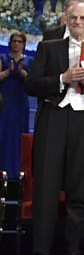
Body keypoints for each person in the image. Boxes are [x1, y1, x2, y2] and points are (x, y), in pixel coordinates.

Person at [24, 2, 84, 255]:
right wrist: (62, 78)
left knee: (79, 188)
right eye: (73, 17)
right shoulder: (48, 47)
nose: (77, 21)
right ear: (66, 19)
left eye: (83, 18)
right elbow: (31, 84)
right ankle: (40, 252)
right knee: (46, 187)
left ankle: (74, 251)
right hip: (54, 118)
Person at [0, 31, 31, 177]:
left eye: (19, 41)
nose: (16, 44)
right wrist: (8, 72)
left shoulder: (29, 61)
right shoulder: (3, 58)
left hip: (20, 102)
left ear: (24, 44)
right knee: (3, 134)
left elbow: (34, 82)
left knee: (19, 137)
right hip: (5, 102)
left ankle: (17, 173)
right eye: (14, 41)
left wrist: (23, 74)